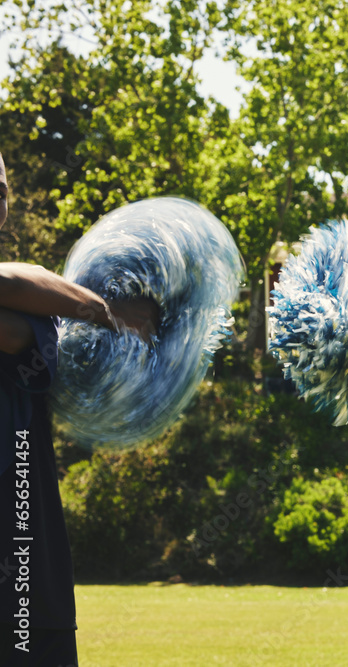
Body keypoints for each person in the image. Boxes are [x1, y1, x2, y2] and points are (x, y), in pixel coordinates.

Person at [0, 151, 157, 666]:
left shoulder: (31, 310)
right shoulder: (26, 303)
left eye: (1, 188)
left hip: (28, 572)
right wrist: (110, 313)